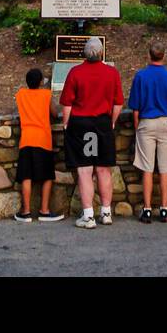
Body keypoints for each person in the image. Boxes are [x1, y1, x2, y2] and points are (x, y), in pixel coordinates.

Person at [60, 37, 124, 229]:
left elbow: (67, 104)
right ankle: (106, 212)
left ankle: (88, 216)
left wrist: (66, 124)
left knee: (85, 170)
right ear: (101, 52)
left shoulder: (75, 73)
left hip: (81, 124)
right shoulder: (111, 73)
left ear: (84, 53)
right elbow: (119, 102)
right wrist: (111, 121)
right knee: (104, 169)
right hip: (102, 123)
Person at [127, 39, 167, 224]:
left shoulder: (141, 76)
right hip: (166, 121)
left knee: (147, 168)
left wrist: (137, 127)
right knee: (165, 169)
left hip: (146, 122)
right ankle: (165, 208)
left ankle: (147, 209)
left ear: (148, 56)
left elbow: (135, 107)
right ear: (164, 56)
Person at [14, 68, 64, 223]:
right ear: (41, 82)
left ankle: (26, 211)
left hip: (27, 139)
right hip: (43, 139)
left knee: (26, 176)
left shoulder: (21, 94)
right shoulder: (46, 95)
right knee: (47, 176)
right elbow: (55, 113)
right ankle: (44, 210)